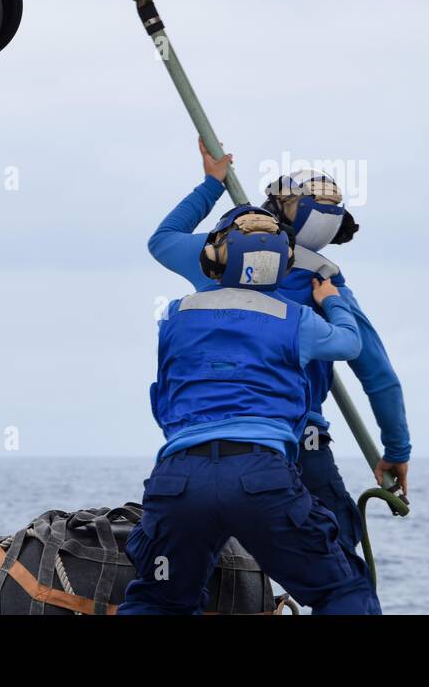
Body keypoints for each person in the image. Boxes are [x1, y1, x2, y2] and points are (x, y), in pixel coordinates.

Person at [147, 140, 411, 556]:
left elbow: (162, 240)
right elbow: (378, 376)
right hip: (295, 439)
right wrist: (396, 451)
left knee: (197, 562)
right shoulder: (325, 286)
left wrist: (211, 184)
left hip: (196, 442)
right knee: (336, 551)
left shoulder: (211, 261)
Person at [119, 205, 380, 615]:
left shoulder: (174, 313)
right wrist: (333, 299)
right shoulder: (295, 319)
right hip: (263, 479)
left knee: (158, 600)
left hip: (179, 481)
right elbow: (350, 343)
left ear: (213, 259)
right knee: (342, 590)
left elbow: (165, 390)